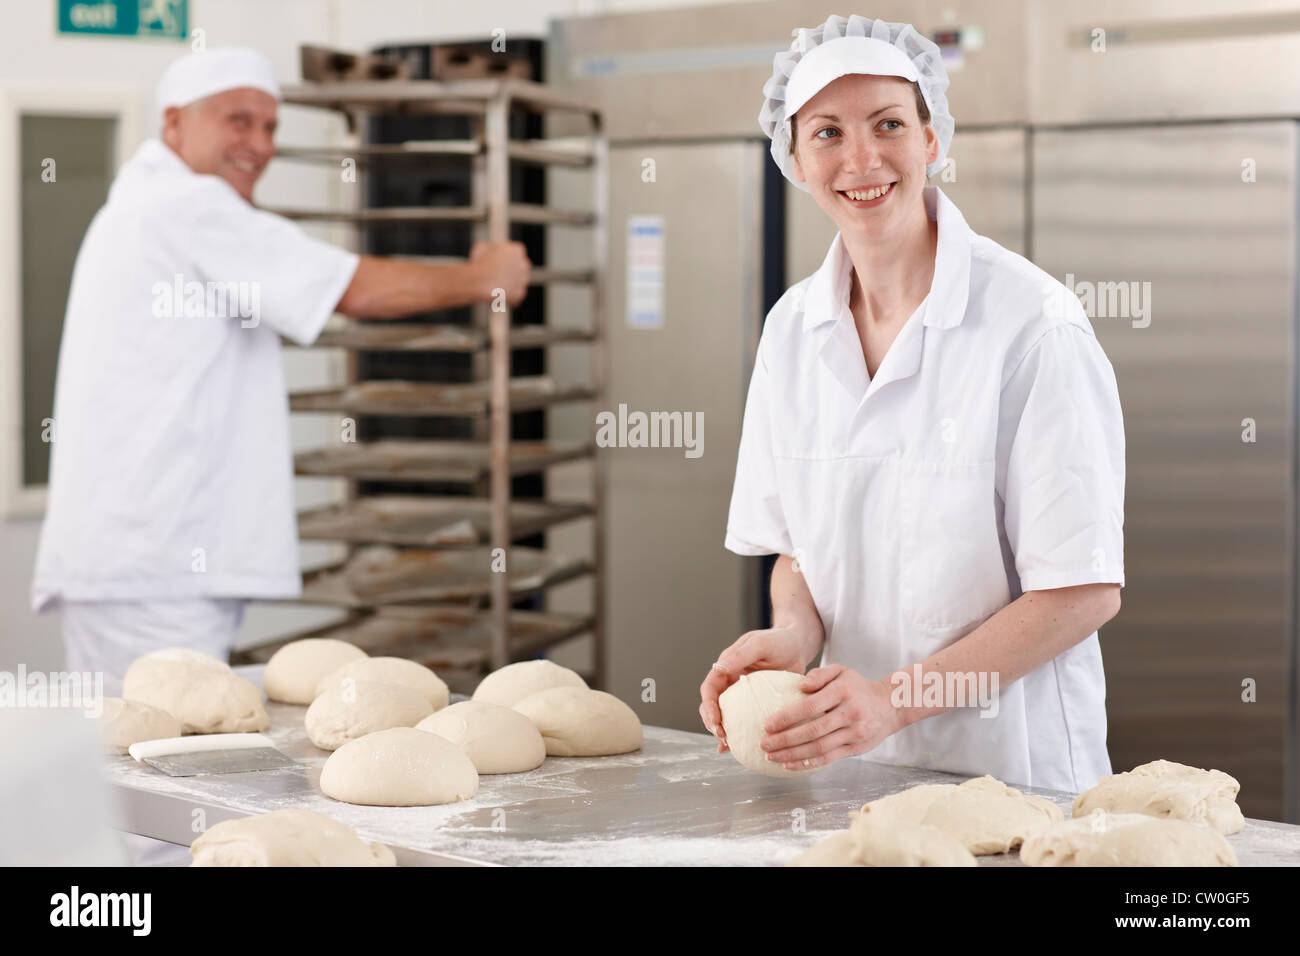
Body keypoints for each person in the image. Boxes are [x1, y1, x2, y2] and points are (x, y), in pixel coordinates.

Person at [698, 16, 1126, 793]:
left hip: (1016, 777)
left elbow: (1081, 590)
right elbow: (796, 547)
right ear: (794, 160)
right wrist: (795, 634)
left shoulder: (1032, 324)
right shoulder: (792, 330)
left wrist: (898, 700)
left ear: (932, 140)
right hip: (852, 768)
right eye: (826, 133)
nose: (861, 159)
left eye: (888, 124)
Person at [32, 48, 530, 697]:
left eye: (270, 127)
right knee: (149, 764)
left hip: (151, 566)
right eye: (238, 121)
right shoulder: (184, 206)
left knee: (144, 765)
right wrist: (481, 277)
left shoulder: (146, 210)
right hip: (152, 570)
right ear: (174, 123)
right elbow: (353, 290)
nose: (259, 145)